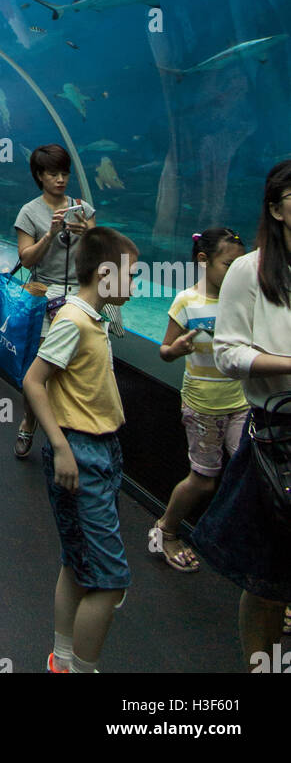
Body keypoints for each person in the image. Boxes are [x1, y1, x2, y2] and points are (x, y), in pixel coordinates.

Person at [23, 226, 137, 675]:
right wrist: (60, 447)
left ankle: (63, 661)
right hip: (81, 451)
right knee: (110, 582)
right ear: (106, 274)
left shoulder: (92, 316)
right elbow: (35, 381)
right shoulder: (73, 320)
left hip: (99, 449)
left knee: (75, 562)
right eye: (130, 274)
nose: (134, 284)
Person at [191, 162, 291, 670]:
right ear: (276, 208)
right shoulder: (249, 271)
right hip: (277, 438)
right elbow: (228, 354)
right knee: (266, 577)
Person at [151, 227, 247, 572]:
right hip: (203, 405)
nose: (235, 272)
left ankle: (237, 543)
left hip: (242, 402)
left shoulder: (244, 298)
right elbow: (164, 350)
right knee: (204, 479)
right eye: (228, 264)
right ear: (203, 261)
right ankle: (166, 530)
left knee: (249, 471)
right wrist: (174, 351)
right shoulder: (186, 301)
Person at [13, 145, 96, 459]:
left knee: (75, 368)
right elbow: (25, 257)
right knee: (42, 370)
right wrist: (49, 235)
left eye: (64, 173)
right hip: (45, 296)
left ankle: (68, 430)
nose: (60, 180)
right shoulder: (29, 212)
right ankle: (29, 420)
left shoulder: (83, 208)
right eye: (53, 174)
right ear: (39, 176)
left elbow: (99, 255)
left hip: (80, 296)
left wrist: (87, 234)